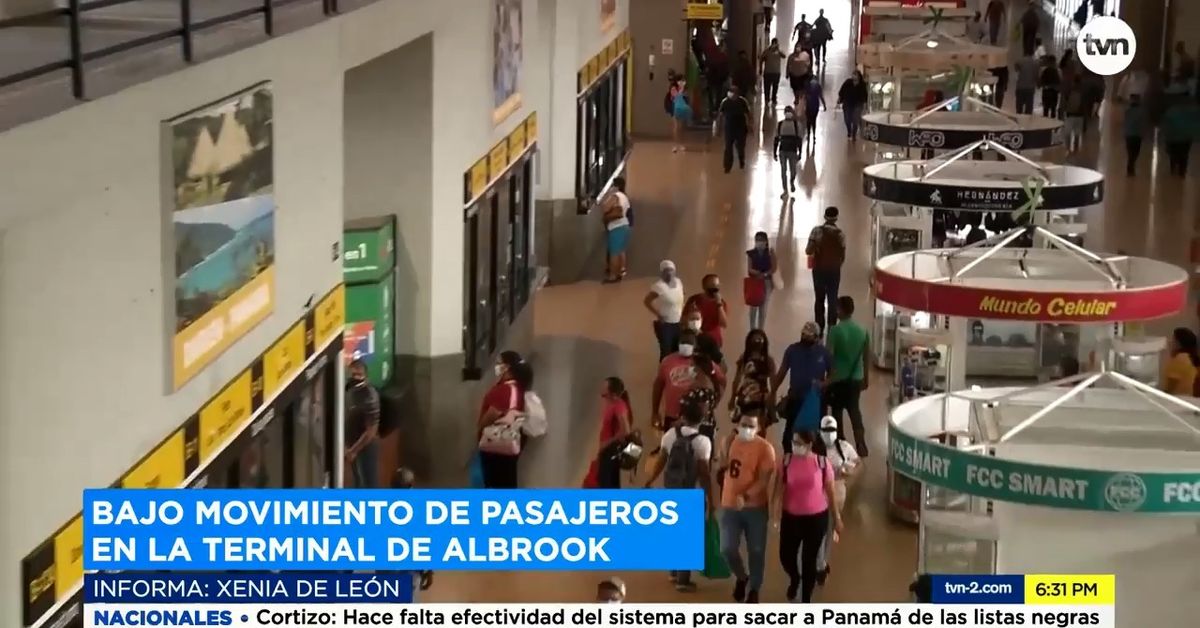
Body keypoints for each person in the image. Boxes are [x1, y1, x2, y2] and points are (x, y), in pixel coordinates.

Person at [643, 400, 714, 592]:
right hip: (689, 491)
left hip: (670, 489)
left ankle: (673, 571)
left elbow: (661, 460)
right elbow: (704, 473)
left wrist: (649, 481)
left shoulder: (670, 435)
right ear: (703, 419)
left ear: (682, 416)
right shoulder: (702, 442)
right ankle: (683, 580)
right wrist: (710, 497)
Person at [774, 429, 842, 603]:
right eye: (793, 442)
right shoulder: (786, 461)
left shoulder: (822, 463)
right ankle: (795, 578)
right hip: (791, 517)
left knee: (808, 560)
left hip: (816, 518)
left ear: (809, 445)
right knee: (786, 556)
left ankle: (806, 599)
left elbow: (830, 491)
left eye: (799, 443)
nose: (795, 446)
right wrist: (776, 514)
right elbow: (779, 489)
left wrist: (837, 518)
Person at [719, 412, 776, 604]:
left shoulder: (765, 449)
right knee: (727, 548)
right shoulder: (729, 442)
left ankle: (754, 588)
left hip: (755, 508)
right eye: (744, 425)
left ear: (758, 428)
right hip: (729, 504)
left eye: (751, 426)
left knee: (756, 550)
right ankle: (742, 577)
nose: (746, 429)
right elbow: (722, 466)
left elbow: (764, 479)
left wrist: (746, 495)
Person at [771, 322, 832, 455]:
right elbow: (782, 372)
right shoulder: (792, 350)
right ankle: (790, 461)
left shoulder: (824, 353)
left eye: (809, 336)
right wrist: (772, 391)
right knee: (788, 436)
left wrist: (824, 384)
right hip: (796, 398)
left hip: (815, 401)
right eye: (804, 335)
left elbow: (833, 373)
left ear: (817, 338)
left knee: (816, 437)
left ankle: (816, 465)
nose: (805, 338)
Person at [477, 351, 533, 488]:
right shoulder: (519, 388)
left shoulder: (503, 390)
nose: (496, 366)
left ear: (506, 367)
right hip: (510, 444)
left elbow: (491, 415)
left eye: (499, 363)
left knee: (494, 484)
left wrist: (479, 429)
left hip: (495, 447)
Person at [825, 296, 870, 456]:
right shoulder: (862, 331)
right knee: (854, 411)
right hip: (856, 379)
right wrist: (866, 378)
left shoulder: (835, 331)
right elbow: (866, 357)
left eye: (837, 308)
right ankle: (861, 443)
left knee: (837, 412)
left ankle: (841, 444)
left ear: (841, 310)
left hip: (838, 380)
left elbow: (829, 357)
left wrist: (827, 379)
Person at [814, 416, 858, 582]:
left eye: (832, 430)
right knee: (820, 530)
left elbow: (857, 462)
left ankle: (822, 561)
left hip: (837, 492)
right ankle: (820, 564)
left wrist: (849, 472)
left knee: (829, 528)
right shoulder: (814, 447)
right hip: (817, 493)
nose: (829, 434)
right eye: (826, 430)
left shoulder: (844, 447)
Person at [584, 377, 633, 489]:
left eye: (604, 387)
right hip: (608, 452)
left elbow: (626, 430)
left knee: (606, 485)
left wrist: (607, 443)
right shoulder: (612, 404)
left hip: (610, 452)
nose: (601, 388)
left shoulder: (619, 406)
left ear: (613, 394)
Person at [651, 330, 702, 437]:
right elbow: (658, 386)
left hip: (695, 418)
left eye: (689, 342)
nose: (686, 345)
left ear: (695, 345)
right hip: (672, 415)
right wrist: (655, 412)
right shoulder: (667, 361)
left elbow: (720, 380)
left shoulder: (702, 361)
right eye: (683, 342)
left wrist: (712, 403)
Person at [805, 206, 846, 334]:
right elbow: (842, 256)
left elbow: (808, 250)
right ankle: (832, 328)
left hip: (819, 270)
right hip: (834, 270)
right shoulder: (840, 234)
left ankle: (819, 328)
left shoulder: (817, 231)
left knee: (819, 299)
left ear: (825, 217)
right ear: (836, 218)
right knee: (832, 299)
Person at [344, 359, 381, 488]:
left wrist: (353, 450)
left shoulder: (369, 396)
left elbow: (371, 430)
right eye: (353, 375)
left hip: (366, 448)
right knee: (358, 482)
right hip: (350, 445)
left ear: (365, 376)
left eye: (359, 375)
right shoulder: (347, 390)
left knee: (368, 483)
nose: (355, 378)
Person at [729, 329, 777, 422]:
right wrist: (772, 405)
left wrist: (732, 398)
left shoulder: (745, 357)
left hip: (748, 395)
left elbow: (736, 380)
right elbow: (773, 384)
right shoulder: (768, 359)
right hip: (759, 396)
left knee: (745, 423)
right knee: (760, 426)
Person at [645, 260, 685, 361]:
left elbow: (682, 295)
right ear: (662, 272)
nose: (669, 273)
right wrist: (658, 314)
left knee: (677, 348)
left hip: (678, 322)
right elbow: (647, 301)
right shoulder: (659, 287)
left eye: (671, 270)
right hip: (665, 324)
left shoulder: (679, 282)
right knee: (666, 351)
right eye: (666, 270)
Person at [1162, 86, 1198, 177]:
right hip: (1185, 136)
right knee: (1184, 154)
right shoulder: (1192, 110)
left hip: (1174, 137)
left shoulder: (1171, 111)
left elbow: (1166, 124)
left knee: (1174, 153)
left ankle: (1174, 167)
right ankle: (1182, 170)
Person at [685, 274, 729, 348]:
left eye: (717, 285)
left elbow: (724, 324)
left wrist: (719, 304)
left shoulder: (722, 303)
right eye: (712, 285)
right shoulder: (694, 300)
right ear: (704, 287)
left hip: (714, 341)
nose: (715, 288)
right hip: (696, 340)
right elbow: (684, 319)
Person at [601, 176, 631, 283]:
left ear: (615, 186)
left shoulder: (616, 195)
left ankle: (613, 276)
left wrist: (605, 205)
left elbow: (606, 207)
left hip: (616, 226)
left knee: (614, 252)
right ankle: (620, 273)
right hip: (625, 226)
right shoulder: (625, 197)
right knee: (621, 251)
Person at [746, 231, 778, 329]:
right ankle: (752, 328)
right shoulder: (751, 254)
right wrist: (758, 274)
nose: (759, 242)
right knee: (753, 306)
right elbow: (749, 269)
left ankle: (761, 329)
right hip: (755, 282)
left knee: (763, 307)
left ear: (766, 241)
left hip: (767, 283)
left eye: (761, 240)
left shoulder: (770, 253)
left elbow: (774, 268)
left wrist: (764, 274)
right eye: (757, 240)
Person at [717, 86, 752, 173]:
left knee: (740, 147)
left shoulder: (742, 101)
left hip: (741, 127)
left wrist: (750, 126)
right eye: (731, 92)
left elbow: (748, 114)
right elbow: (720, 116)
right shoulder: (725, 102)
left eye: (734, 92)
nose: (732, 94)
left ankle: (741, 161)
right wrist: (718, 128)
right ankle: (727, 166)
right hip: (729, 128)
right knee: (728, 147)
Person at [774, 106, 803, 196]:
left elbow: (799, 140)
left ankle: (791, 181)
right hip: (782, 150)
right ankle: (785, 190)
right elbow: (776, 139)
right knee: (783, 171)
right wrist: (774, 152)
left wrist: (800, 152)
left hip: (793, 150)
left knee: (793, 170)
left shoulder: (797, 125)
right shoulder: (780, 124)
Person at [1164, 327, 1199, 396]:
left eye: (1173, 339)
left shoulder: (1180, 359)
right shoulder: (1189, 357)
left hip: (1177, 398)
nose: (1171, 342)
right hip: (1186, 397)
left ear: (1179, 343)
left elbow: (1171, 386)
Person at [837, 71, 868, 140]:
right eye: (853, 74)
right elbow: (841, 91)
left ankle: (854, 134)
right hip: (847, 103)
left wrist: (865, 106)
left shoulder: (862, 85)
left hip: (858, 104)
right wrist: (839, 100)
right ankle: (849, 131)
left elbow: (865, 95)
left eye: (855, 75)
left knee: (855, 120)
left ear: (859, 76)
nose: (853, 76)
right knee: (847, 119)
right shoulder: (848, 82)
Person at [1123, 94, 1147, 176]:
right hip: (1137, 135)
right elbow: (1143, 124)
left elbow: (1125, 122)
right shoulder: (1142, 111)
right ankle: (1131, 165)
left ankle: (1130, 165)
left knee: (1130, 151)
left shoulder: (1127, 111)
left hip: (1128, 134)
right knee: (1136, 152)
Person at [668, 71, 691, 153]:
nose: (682, 82)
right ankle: (675, 145)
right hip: (675, 109)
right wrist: (681, 89)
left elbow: (687, 98)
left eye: (683, 80)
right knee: (676, 127)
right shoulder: (673, 88)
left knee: (681, 127)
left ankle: (681, 143)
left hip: (683, 109)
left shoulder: (685, 89)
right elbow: (675, 97)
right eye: (681, 80)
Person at [1062, 75, 1086, 153]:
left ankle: (1068, 148)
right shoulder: (1083, 92)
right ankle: (1075, 149)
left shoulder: (1069, 91)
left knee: (1067, 133)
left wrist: (1062, 111)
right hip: (1080, 115)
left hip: (1070, 114)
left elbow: (1064, 103)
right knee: (1077, 134)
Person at [759, 38, 785, 105]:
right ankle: (767, 99)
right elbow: (761, 59)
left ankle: (774, 98)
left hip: (776, 72)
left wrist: (778, 50)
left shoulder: (779, 51)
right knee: (767, 87)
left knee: (775, 86)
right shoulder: (767, 51)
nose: (774, 45)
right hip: (768, 72)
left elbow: (784, 56)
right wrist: (760, 69)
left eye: (776, 43)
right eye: (773, 43)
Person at [802, 78, 827, 144]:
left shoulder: (807, 85)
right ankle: (814, 135)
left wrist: (803, 105)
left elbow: (805, 96)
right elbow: (821, 96)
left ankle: (808, 134)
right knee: (814, 120)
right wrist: (824, 105)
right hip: (815, 105)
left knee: (808, 120)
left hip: (809, 105)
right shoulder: (818, 86)